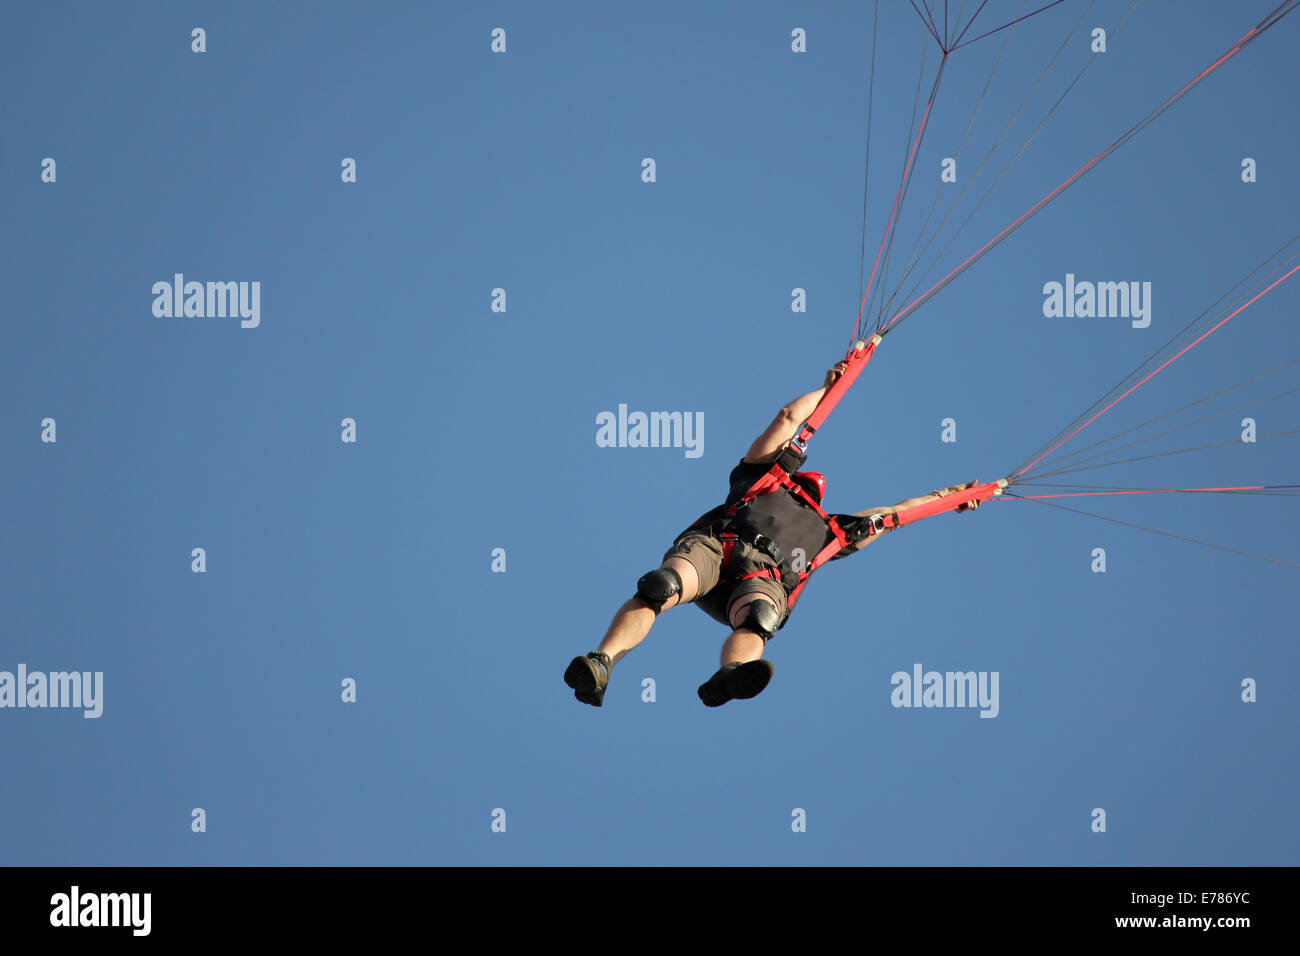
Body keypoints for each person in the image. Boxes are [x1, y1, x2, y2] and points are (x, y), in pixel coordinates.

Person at [565, 361, 982, 708]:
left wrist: (948, 496)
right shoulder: (766, 479)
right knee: (667, 588)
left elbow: (891, 515)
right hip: (719, 550)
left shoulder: (828, 527)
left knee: (724, 609)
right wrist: (829, 390)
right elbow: (893, 513)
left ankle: (728, 675)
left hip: (761, 579)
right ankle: (602, 665)